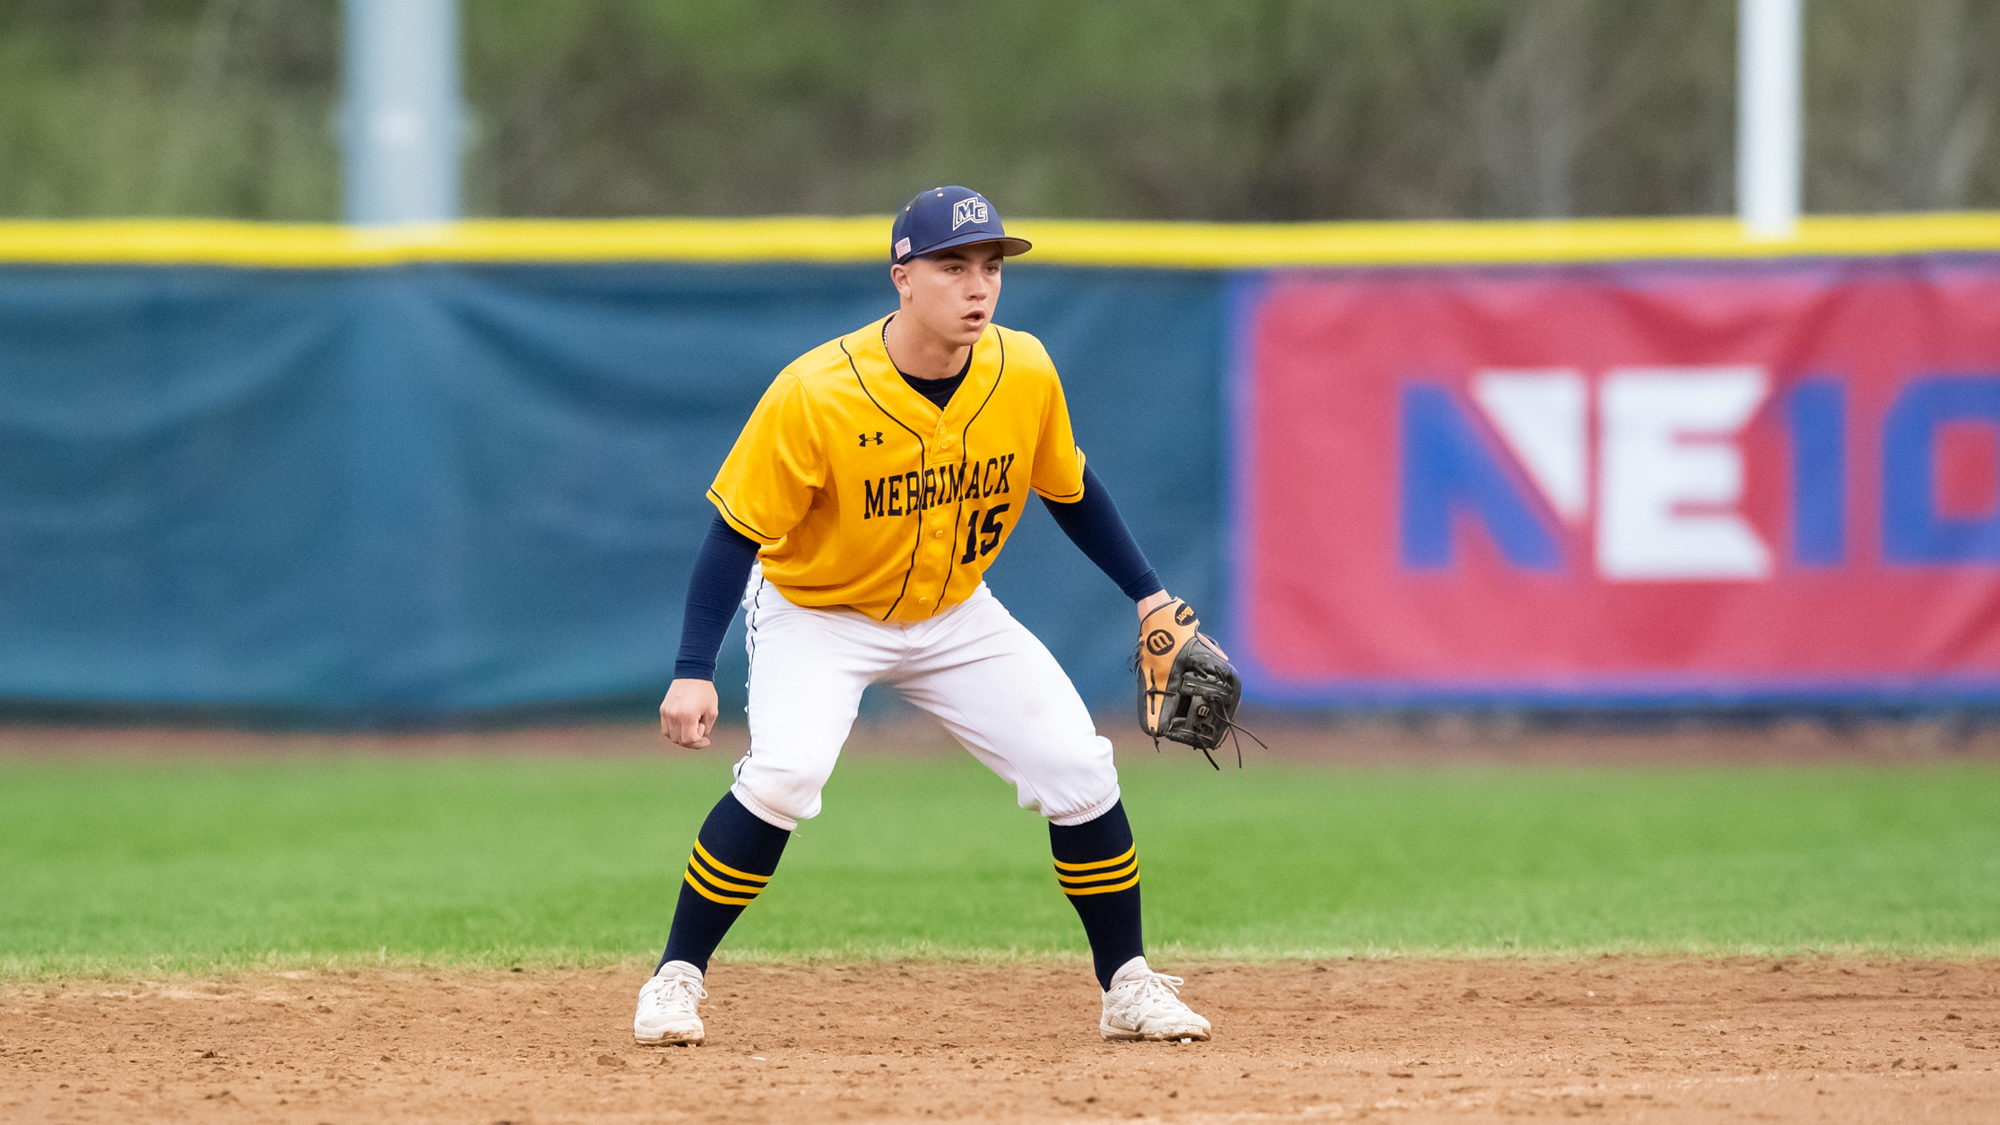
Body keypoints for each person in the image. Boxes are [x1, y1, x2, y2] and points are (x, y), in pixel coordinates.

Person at [635, 185, 1211, 1047]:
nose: (977, 286)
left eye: (990, 267)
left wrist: (1151, 593)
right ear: (902, 277)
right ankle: (674, 979)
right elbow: (734, 533)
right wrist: (691, 668)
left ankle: (1126, 985)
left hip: (954, 615)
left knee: (1077, 765)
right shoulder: (815, 391)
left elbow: (1072, 488)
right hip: (819, 611)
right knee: (785, 774)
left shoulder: (1024, 370)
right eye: (952, 266)